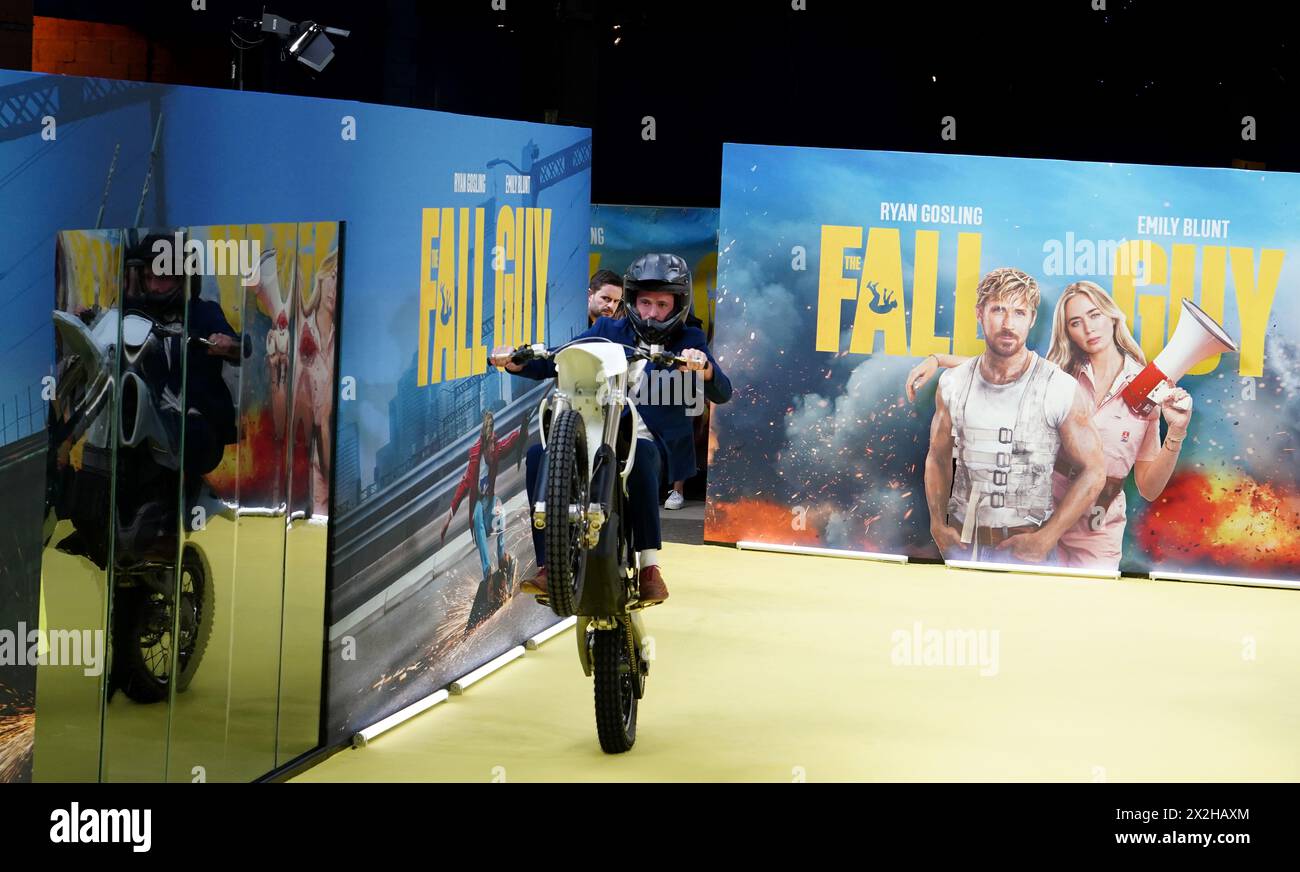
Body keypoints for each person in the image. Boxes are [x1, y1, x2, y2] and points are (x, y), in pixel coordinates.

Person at [491, 252, 732, 605]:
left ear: (677, 304)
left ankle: (650, 567)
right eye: (645, 302)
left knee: (644, 456)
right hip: (597, 430)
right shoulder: (607, 330)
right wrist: (515, 362)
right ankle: (548, 565)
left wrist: (704, 369)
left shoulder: (689, 339)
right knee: (536, 454)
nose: (652, 312)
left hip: (651, 440)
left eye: (661, 304)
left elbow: (723, 391)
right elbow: (560, 358)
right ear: (632, 302)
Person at [907, 279, 1192, 570]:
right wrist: (939, 360)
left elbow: (1148, 487)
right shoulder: (1062, 370)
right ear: (1066, 331)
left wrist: (1177, 433)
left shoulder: (1148, 390)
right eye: (1075, 323)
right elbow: (1006, 365)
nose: (1088, 329)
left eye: (1095, 315)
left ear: (1113, 317)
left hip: (1097, 526)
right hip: (1041, 510)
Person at [919, 267, 1105, 565]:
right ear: (980, 313)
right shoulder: (953, 383)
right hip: (965, 544)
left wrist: (1046, 537)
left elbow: (1095, 470)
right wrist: (938, 526)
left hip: (1029, 546)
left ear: (1032, 319)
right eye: (998, 310)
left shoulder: (1058, 387)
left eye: (1019, 312)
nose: (1008, 323)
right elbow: (938, 457)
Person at [439, 410, 525, 620]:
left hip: (491, 501)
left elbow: (508, 445)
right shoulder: (476, 457)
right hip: (478, 504)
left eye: (495, 446)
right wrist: (449, 517)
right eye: (491, 448)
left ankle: (502, 556)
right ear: (485, 446)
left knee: (500, 512)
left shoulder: (495, 448)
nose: (494, 451)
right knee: (477, 520)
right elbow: (464, 485)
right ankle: (488, 574)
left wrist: (521, 431)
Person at [291, 249, 339, 518]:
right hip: (308, 461)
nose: (335, 287)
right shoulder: (299, 332)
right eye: (332, 276)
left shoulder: (343, 338)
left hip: (333, 457)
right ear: (321, 277)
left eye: (340, 279)